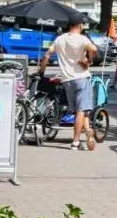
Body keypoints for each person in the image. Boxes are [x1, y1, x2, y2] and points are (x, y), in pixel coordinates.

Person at [38, 17, 98, 151]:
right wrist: (88, 61)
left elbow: (47, 55)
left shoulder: (59, 39)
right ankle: (75, 141)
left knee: (79, 111)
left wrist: (41, 71)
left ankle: (88, 129)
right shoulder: (82, 39)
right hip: (82, 78)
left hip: (67, 81)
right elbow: (94, 49)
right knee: (81, 111)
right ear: (79, 25)